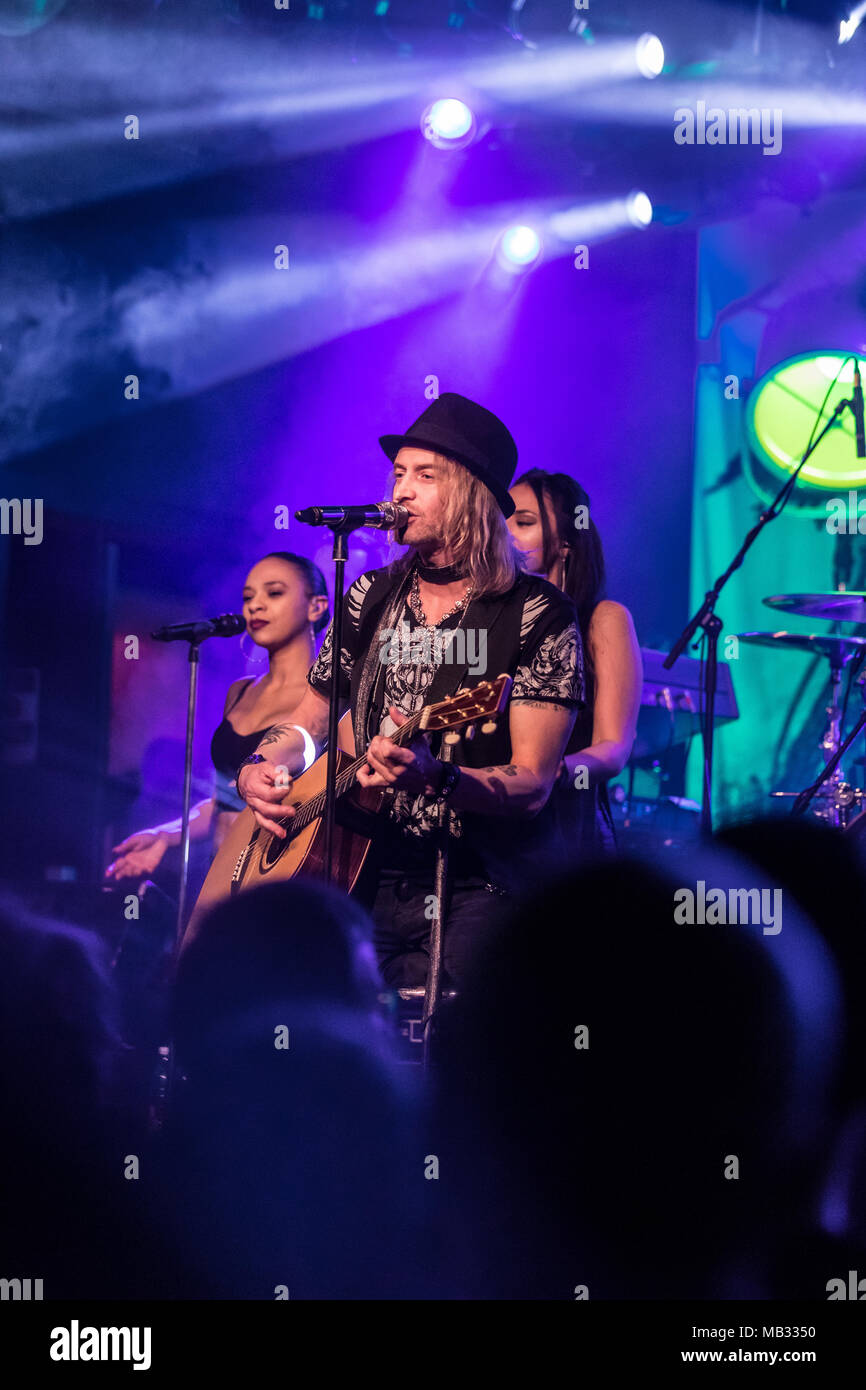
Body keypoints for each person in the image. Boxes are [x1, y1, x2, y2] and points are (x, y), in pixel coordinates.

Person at [236, 392, 584, 989]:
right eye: (399, 474)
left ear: (474, 494)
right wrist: (264, 761)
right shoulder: (368, 594)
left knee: (460, 1061)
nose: (400, 492)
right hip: (355, 870)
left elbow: (531, 783)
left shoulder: (536, 613)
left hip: (479, 883)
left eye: (426, 476)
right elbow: (310, 717)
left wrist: (438, 777)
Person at [106, 552, 329, 881]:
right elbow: (225, 799)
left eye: (275, 592)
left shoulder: (326, 695)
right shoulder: (240, 691)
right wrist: (165, 836)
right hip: (217, 872)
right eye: (248, 597)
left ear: (316, 606)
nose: (255, 605)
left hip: (278, 875)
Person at [507, 468, 642, 854]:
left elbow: (613, 748)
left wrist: (551, 772)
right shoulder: (493, 621)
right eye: (503, 522)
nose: (507, 533)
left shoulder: (603, 619)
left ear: (566, 542)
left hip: (564, 823)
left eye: (525, 522)